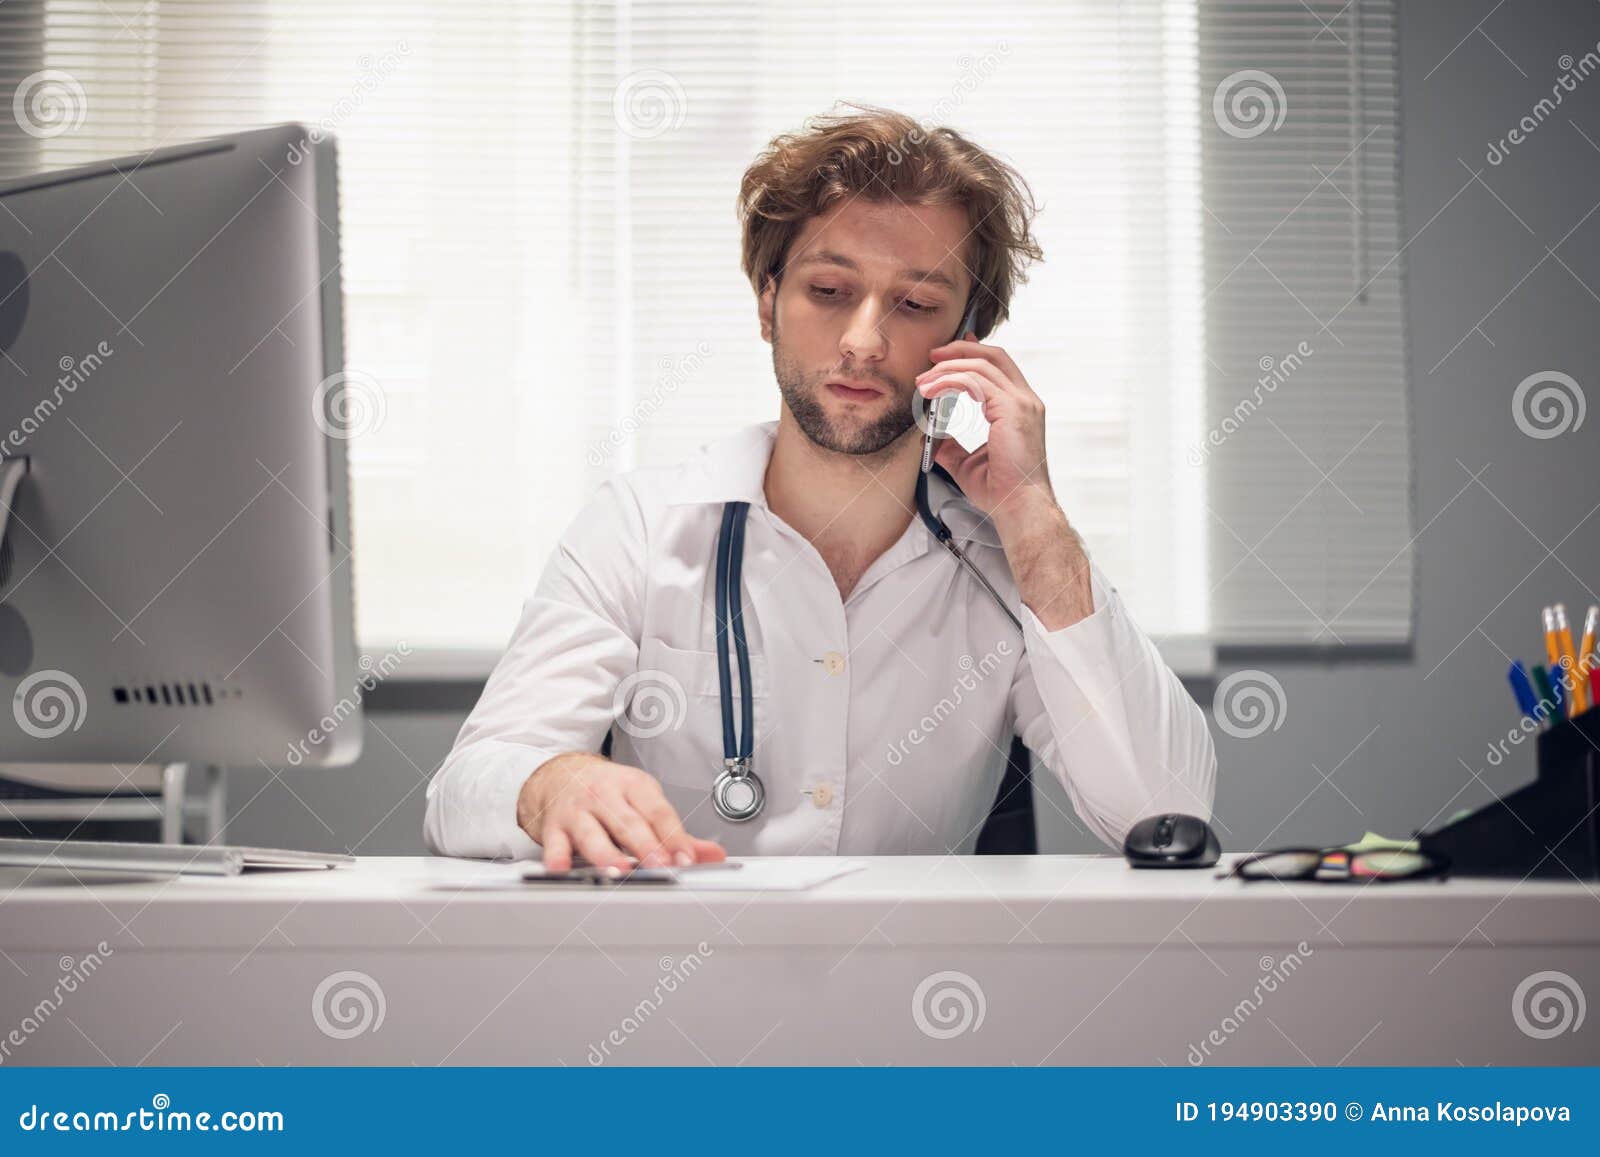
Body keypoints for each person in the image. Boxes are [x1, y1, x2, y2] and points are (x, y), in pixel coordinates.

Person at [423, 103, 1216, 868]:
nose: (863, 341)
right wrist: (548, 781)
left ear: (965, 340)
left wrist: (1035, 518)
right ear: (768, 301)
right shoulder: (639, 527)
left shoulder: (1008, 560)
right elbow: (462, 793)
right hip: (675, 990)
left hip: (924, 996)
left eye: (914, 303)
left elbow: (1169, 813)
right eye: (829, 291)